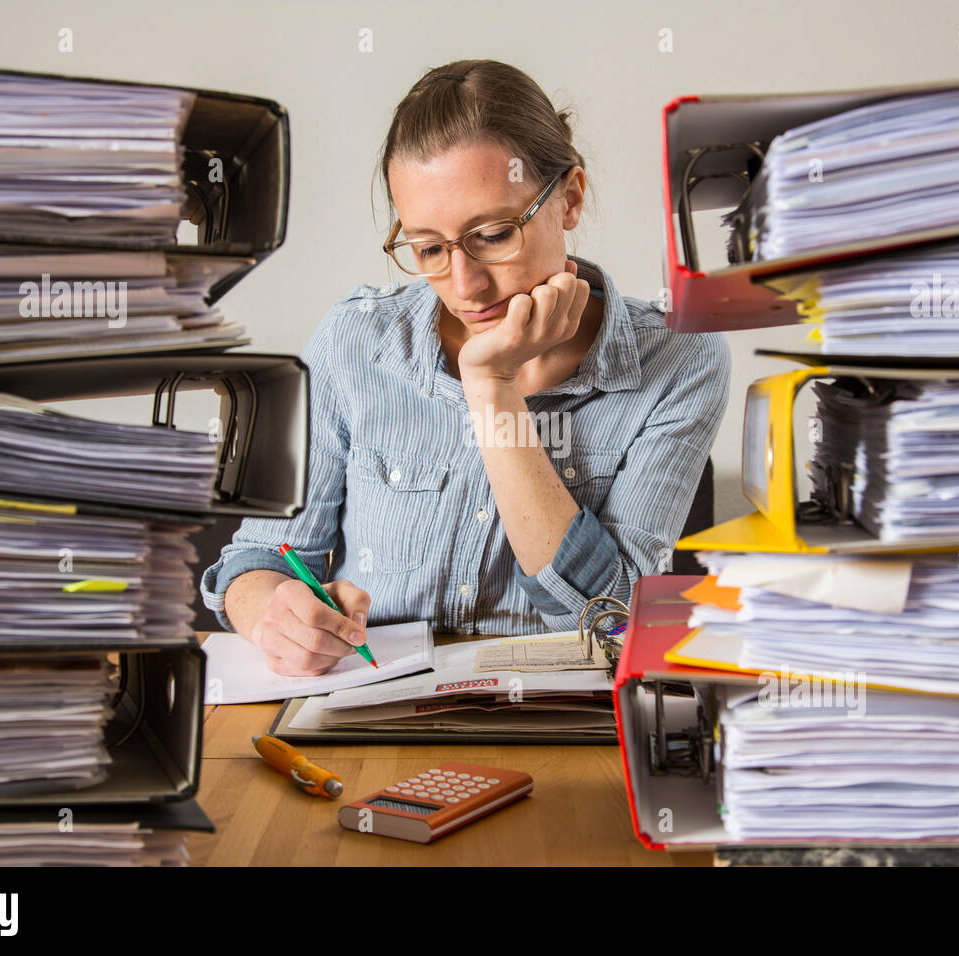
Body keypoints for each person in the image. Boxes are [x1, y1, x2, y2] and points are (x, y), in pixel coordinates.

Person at [200, 59, 731, 677]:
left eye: (494, 234)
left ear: (571, 198)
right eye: (428, 248)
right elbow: (261, 557)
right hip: (366, 712)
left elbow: (611, 620)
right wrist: (273, 610)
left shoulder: (680, 359)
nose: (466, 285)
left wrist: (492, 388)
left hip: (563, 727)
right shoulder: (356, 341)